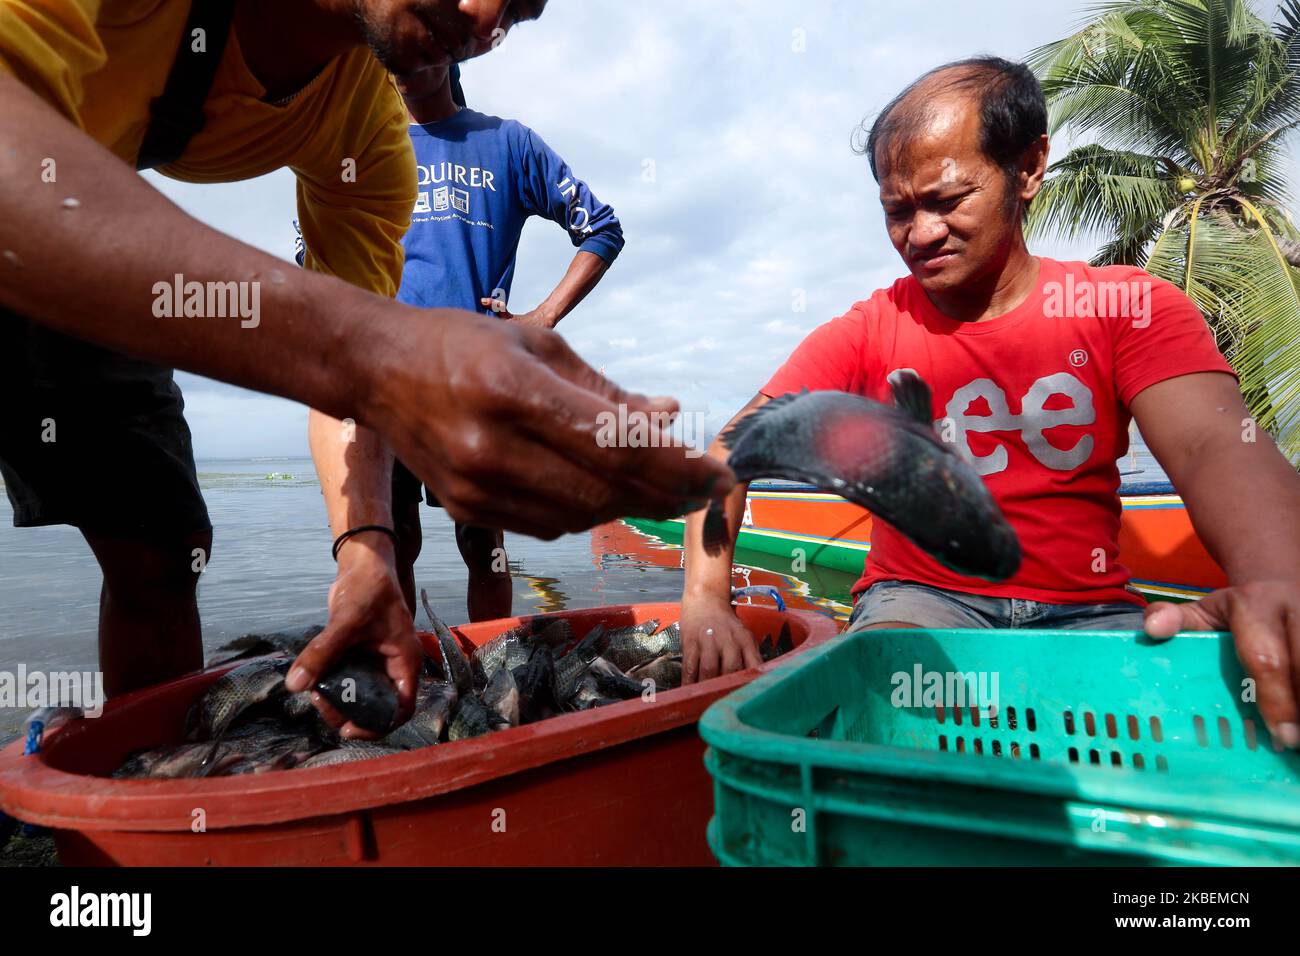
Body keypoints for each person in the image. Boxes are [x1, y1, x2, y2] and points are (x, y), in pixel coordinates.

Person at [0, 0, 732, 738]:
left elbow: (343, 375)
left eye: (518, 12)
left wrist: (364, 552)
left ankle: (146, 782)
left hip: (73, 211)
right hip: (39, 184)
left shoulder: (371, 140)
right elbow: (349, 346)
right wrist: (386, 354)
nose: (485, 22)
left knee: (162, 543)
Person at [678, 57, 1300, 749]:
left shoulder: (1126, 307)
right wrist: (706, 599)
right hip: (918, 601)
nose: (920, 234)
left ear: (1029, 168)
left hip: (1088, 612)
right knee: (887, 717)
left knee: (1164, 748)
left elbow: (1214, 444)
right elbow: (733, 451)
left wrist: (1278, 579)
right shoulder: (868, 329)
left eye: (946, 201)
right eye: (897, 211)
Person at [388, 62, 625, 621]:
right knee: (392, 543)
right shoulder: (356, 146)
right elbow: (316, 256)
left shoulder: (505, 142)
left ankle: (493, 667)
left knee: (482, 545)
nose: (406, 56)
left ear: (448, 47)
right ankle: (399, 685)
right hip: (385, 379)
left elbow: (601, 227)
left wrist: (542, 317)